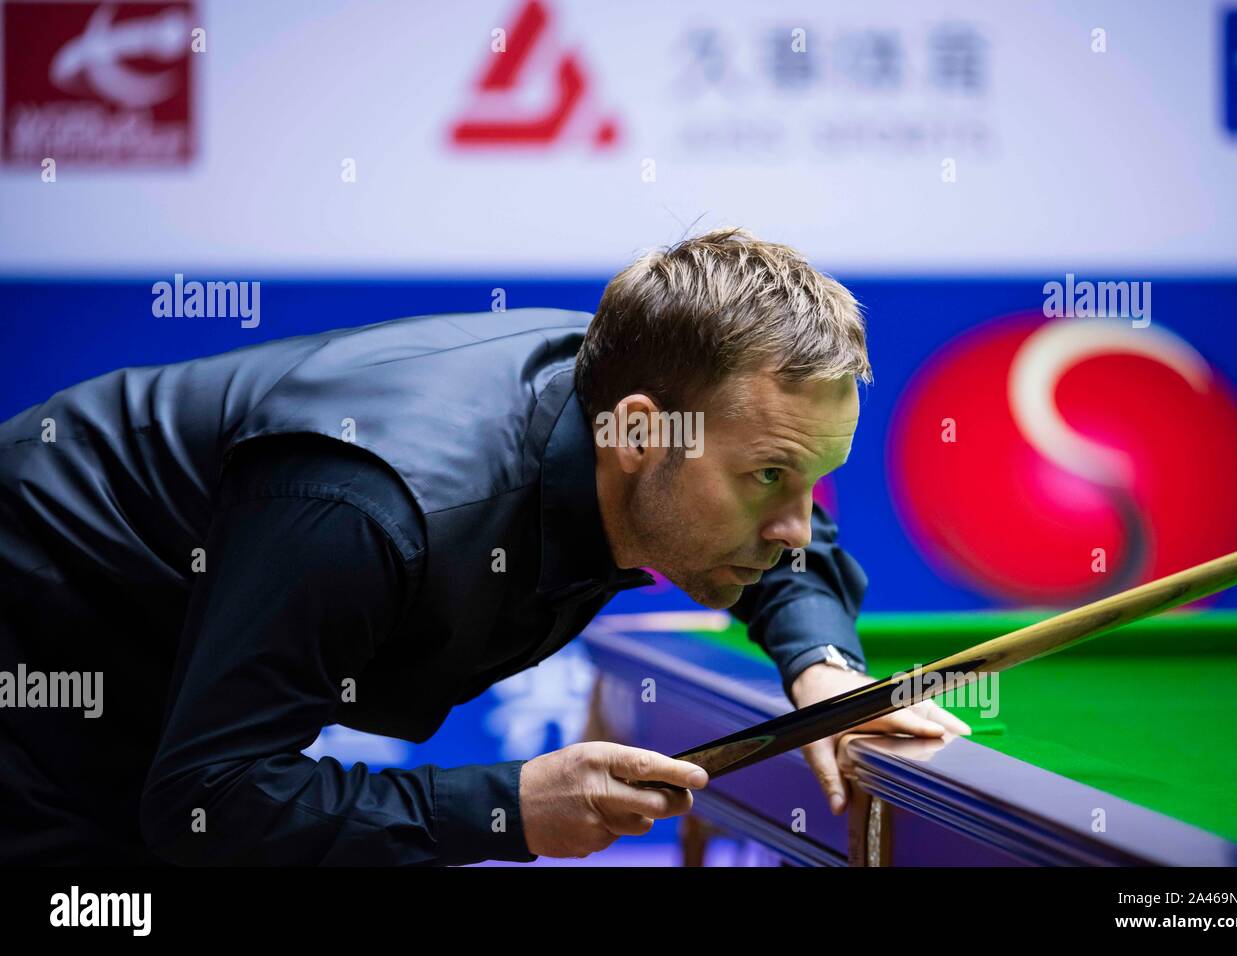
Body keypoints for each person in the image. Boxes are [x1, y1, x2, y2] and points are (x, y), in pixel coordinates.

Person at [0, 227, 967, 866]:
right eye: (768, 481)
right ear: (637, 435)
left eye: (812, 478)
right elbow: (208, 797)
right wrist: (506, 804)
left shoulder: (675, 411)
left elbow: (799, 544)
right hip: (47, 624)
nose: (796, 525)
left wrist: (828, 670)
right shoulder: (366, 504)